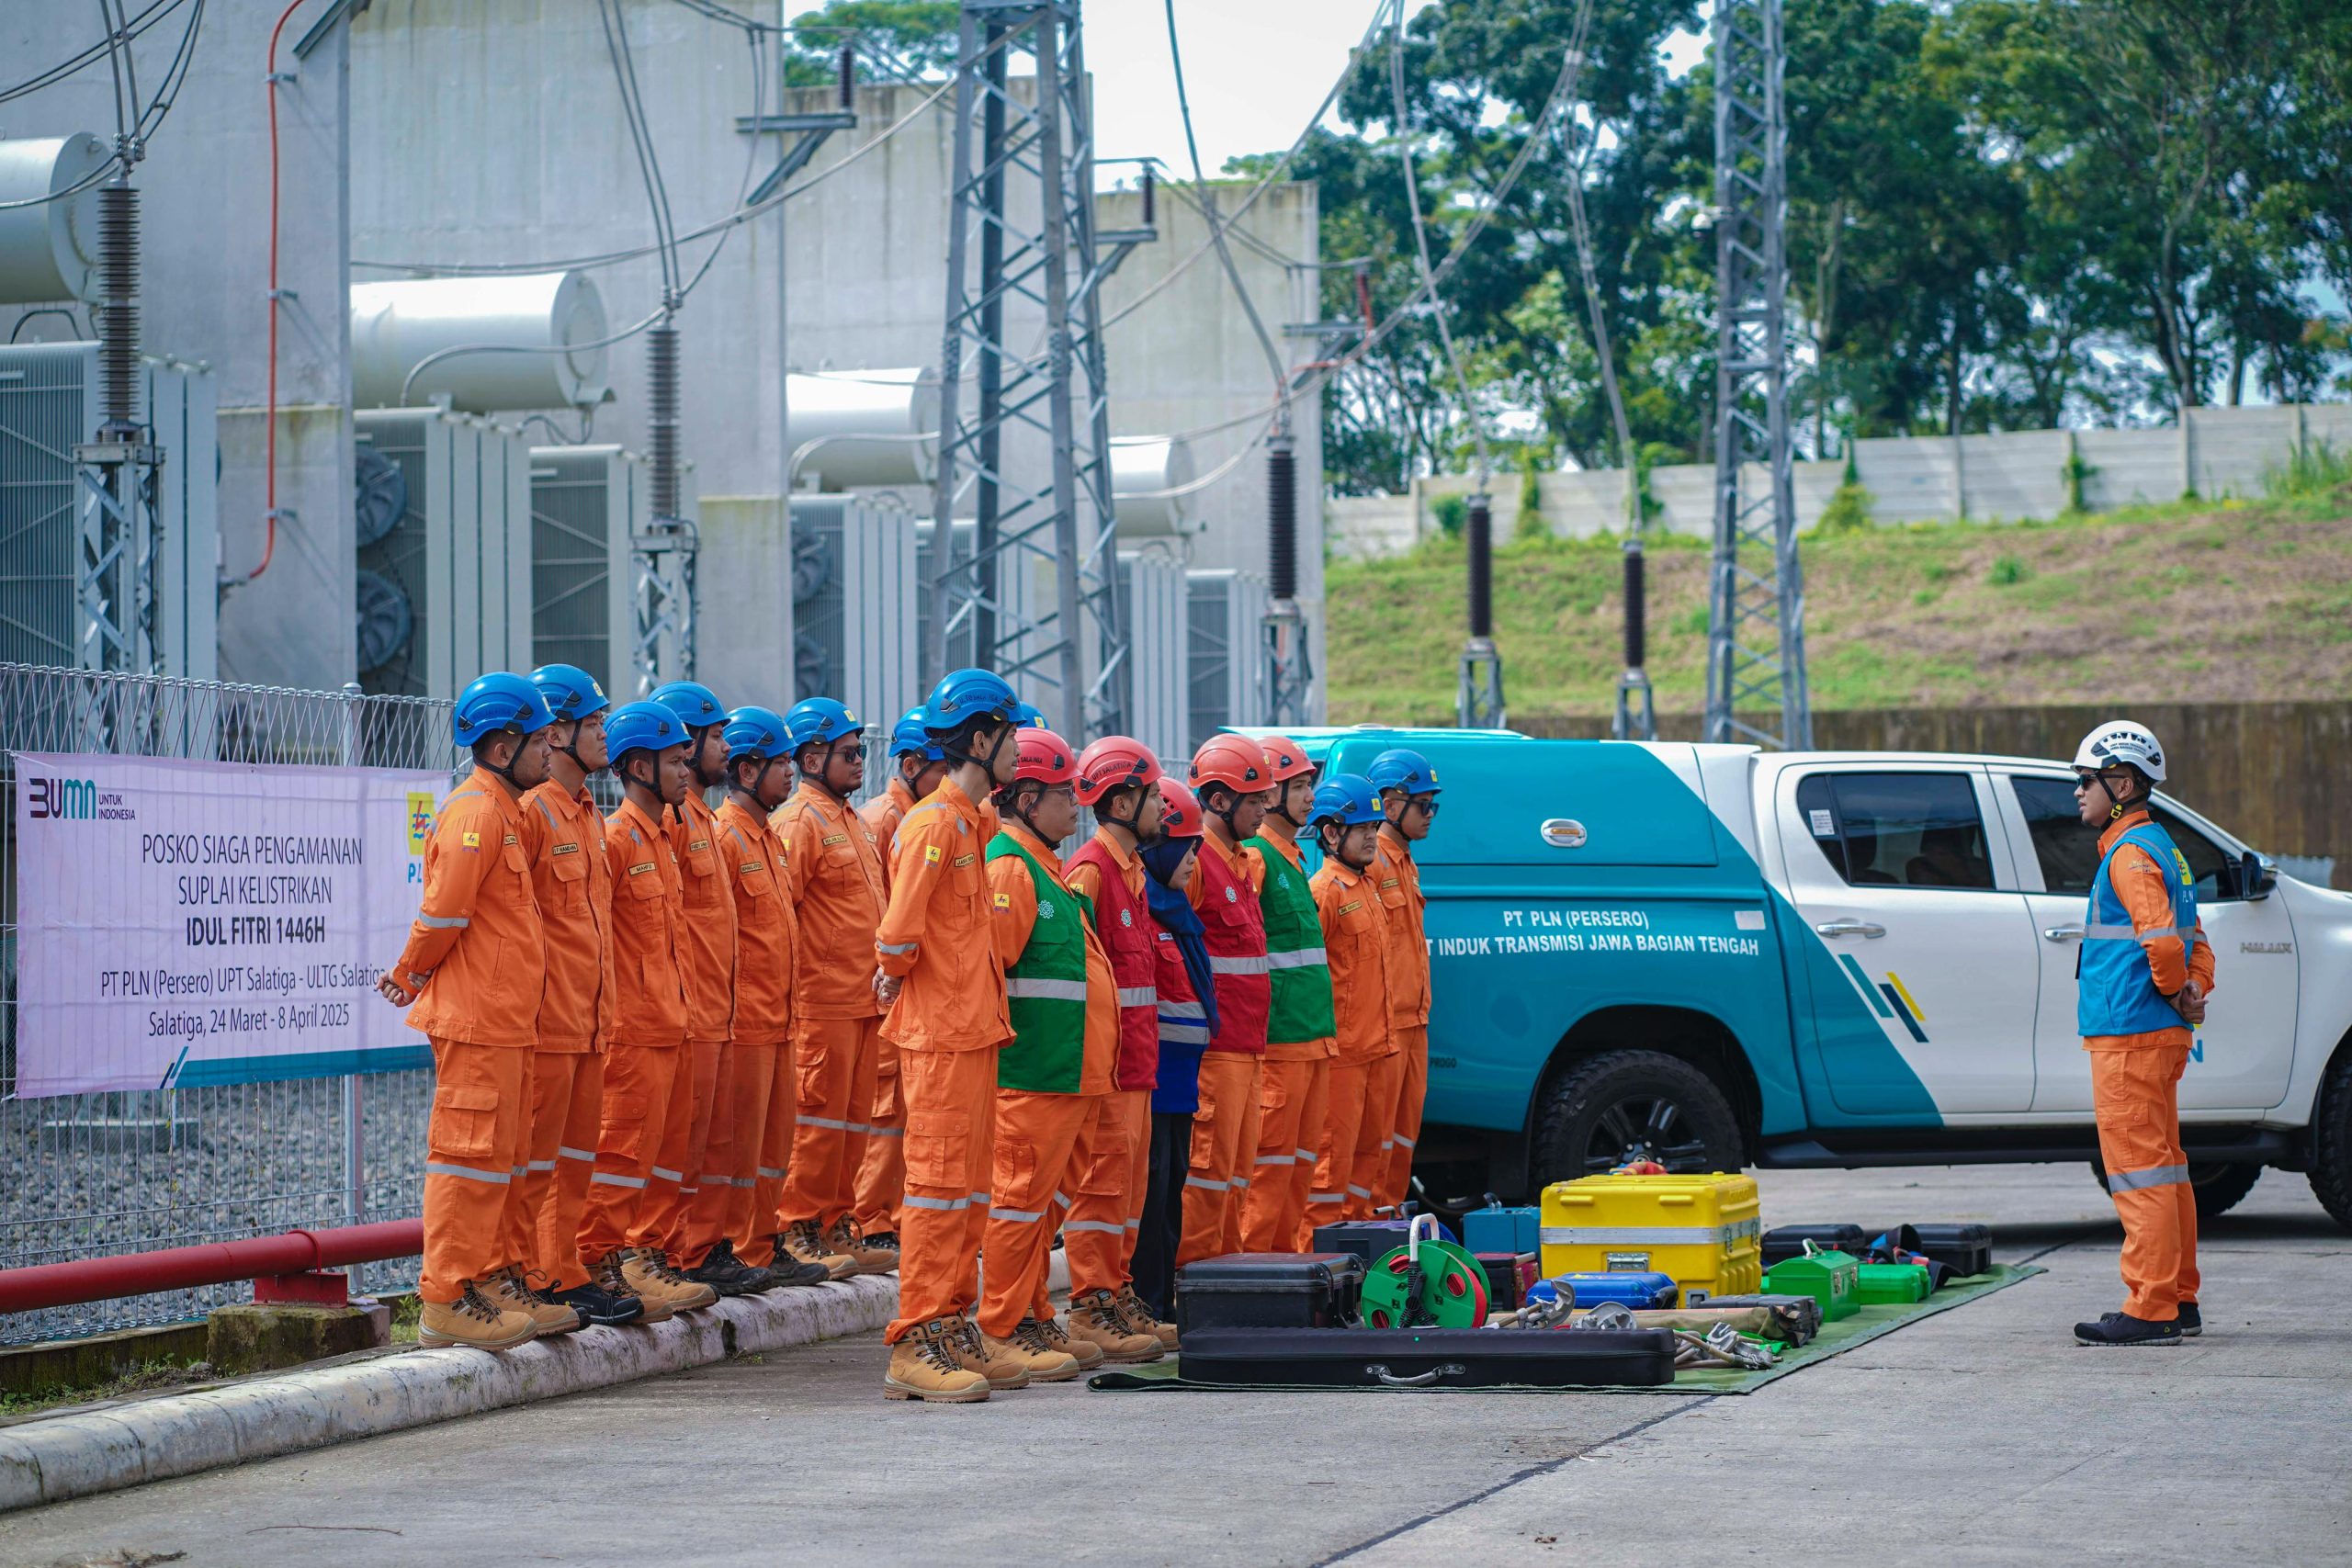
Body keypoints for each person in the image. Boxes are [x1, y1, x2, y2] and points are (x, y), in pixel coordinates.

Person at [976, 728, 1163, 1381]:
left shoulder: (1045, 871)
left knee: (1045, 1205)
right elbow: (988, 974)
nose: (1073, 805)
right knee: (1020, 1202)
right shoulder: (1009, 870)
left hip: (1073, 1072)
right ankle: (999, 1327)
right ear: (1026, 797)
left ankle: (1028, 1315)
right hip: (1035, 1072)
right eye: (1061, 794)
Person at [379, 673, 558, 1349]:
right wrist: (409, 971)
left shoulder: (507, 813)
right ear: (503, 743)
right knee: (468, 1156)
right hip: (478, 1019)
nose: (550, 749)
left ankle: (481, 1280)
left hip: (505, 1020)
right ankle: (446, 1295)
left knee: (500, 1161)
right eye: (540, 739)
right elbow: (446, 910)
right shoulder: (475, 813)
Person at [872, 668, 1023, 1403]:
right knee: (934, 1189)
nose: (1020, 748)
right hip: (937, 1038)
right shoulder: (934, 824)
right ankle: (916, 1337)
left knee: (968, 1190)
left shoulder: (972, 821)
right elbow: (898, 931)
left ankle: (953, 1321)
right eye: (1012, 734)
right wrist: (896, 974)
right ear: (981, 738)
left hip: (972, 1033)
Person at [2069, 720, 2217, 1348]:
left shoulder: (2129, 854)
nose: (2078, 792)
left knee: (2139, 1171)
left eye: (2087, 780)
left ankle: (2150, 1307)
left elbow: (2162, 941)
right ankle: (2179, 1297)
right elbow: (2197, 940)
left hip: (2130, 1033)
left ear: (2121, 783)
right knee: (2167, 1168)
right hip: (2159, 1031)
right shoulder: (2164, 848)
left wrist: (2169, 983)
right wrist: (2192, 988)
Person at [502, 664, 640, 1330]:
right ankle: (537, 1274)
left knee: (576, 1158)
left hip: (590, 1022)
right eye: (592, 723)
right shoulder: (532, 815)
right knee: (537, 1161)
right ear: (555, 732)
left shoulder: (587, 815)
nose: (604, 733)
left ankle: (566, 1269)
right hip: (548, 1020)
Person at [576, 701, 718, 1319]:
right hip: (635, 1031)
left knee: (665, 1151)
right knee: (623, 1151)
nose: (686, 770)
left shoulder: (661, 837)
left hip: (672, 1022)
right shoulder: (614, 839)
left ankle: (645, 1255)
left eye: (687, 758)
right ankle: (599, 1258)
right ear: (638, 766)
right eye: (673, 760)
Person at [709, 705, 831, 1291]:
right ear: (745, 768)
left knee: (774, 1142)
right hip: (747, 1020)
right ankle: (736, 1244)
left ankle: (763, 1242)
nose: (790, 771)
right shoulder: (728, 837)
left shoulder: (768, 836)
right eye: (779, 762)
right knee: (741, 1143)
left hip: (782, 1018)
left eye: (789, 760)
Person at [1065, 736, 1181, 1350]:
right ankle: (1090, 1306)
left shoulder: (1129, 869)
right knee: (1102, 1188)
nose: (1164, 804)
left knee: (1129, 1192)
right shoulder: (1090, 870)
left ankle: (1116, 1292)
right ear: (1122, 797)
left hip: (1137, 1064)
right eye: (1155, 794)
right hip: (1106, 1066)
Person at [771, 698, 891, 1279]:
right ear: (812, 756)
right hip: (820, 1003)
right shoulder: (799, 822)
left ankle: (836, 1223)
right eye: (849, 752)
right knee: (817, 1123)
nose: (859, 761)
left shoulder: (850, 821)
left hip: (861, 1001)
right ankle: (798, 1226)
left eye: (860, 751)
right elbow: (779, 913)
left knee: (852, 1121)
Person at [644, 682, 756, 1294]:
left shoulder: (701, 818)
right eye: (714, 736)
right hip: (688, 1009)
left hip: (719, 1008)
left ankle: (700, 1247)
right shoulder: (668, 822)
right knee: (678, 1145)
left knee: (714, 1144)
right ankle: (669, 1250)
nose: (723, 746)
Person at [850, 708, 949, 1248]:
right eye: (940, 767)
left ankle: (889, 1216)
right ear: (911, 765)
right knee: (885, 1113)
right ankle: (871, 1219)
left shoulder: (932, 815)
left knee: (906, 1115)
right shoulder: (890, 818)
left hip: (909, 985)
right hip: (889, 987)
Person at [1175, 734, 1274, 1266]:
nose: (1264, 810)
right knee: (1208, 1180)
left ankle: (1225, 1281)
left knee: (1237, 1178)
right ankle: (1189, 1285)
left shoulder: (1238, 862)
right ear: (1219, 801)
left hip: (1247, 1048)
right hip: (1216, 1054)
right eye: (1255, 800)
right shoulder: (1198, 865)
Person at [1240, 734, 1337, 1251]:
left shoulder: (1292, 859)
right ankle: (1255, 1277)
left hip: (1309, 1038)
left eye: (1308, 785)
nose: (1308, 797)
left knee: (1298, 1169)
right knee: (1269, 1173)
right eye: (1297, 786)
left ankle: (1286, 1273)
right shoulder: (1258, 858)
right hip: (1279, 1042)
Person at [1301, 773, 1396, 1237]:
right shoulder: (1324, 892)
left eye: (1375, 829)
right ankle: (1315, 1262)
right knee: (1329, 1170)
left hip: (1377, 1051)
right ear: (1332, 833)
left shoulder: (1366, 888)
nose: (1372, 839)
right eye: (1363, 830)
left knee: (1368, 1165)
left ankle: (1357, 1256)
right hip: (1341, 1058)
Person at [1133, 780, 1213, 1323]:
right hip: (1149, 1077)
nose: (1193, 860)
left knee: (1171, 1192)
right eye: (1186, 848)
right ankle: (1146, 1300)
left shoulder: (1177, 911)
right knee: (1150, 1193)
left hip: (1179, 1079)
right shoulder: (1139, 903)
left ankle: (1163, 1305)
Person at [1366, 748, 1439, 1215]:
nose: (1431, 815)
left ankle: (1389, 1221)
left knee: (1401, 1138)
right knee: (1374, 1141)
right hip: (1385, 1027)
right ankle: (1369, 1227)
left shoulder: (1405, 862)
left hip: (1414, 1023)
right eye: (1423, 804)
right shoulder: (1372, 864)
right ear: (1390, 806)